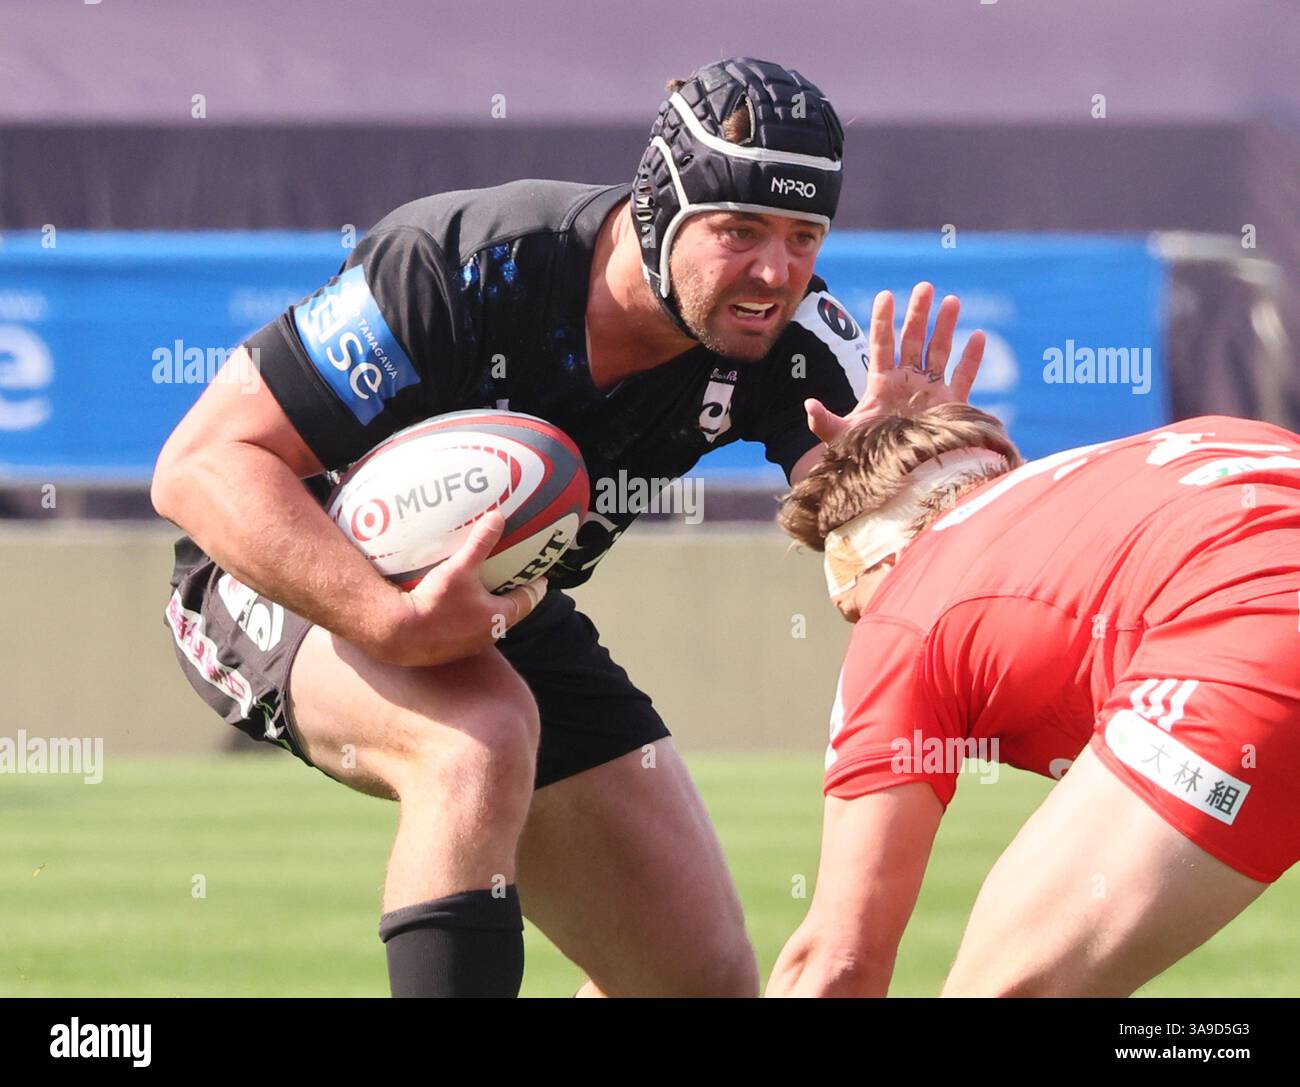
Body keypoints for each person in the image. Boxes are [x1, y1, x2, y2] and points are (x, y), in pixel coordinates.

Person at [150, 56, 985, 997]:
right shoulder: (464, 265)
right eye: (740, 230)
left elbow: (880, 566)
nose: (773, 273)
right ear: (659, 204)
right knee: (480, 738)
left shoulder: (798, 344)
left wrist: (913, 483)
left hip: (499, 604)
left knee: (700, 981)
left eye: (803, 236)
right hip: (281, 567)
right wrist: (386, 620)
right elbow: (201, 465)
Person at [767, 401, 1300, 997]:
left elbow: (838, 959)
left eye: (856, 612)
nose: (863, 627)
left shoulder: (903, 608)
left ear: (879, 560)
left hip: (1252, 639)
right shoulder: (1199, 440)